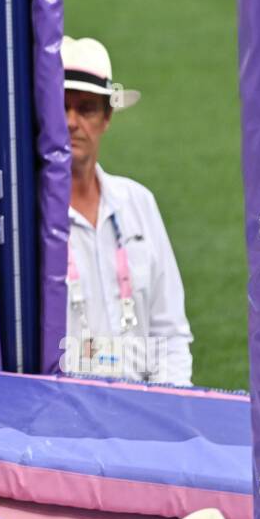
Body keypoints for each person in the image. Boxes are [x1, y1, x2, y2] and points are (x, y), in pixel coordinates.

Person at [61, 36, 194, 386]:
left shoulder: (138, 203)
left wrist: (168, 408)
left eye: (86, 108)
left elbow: (171, 332)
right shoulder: (27, 220)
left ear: (106, 118)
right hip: (60, 420)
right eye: (61, 107)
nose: (72, 121)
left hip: (144, 418)